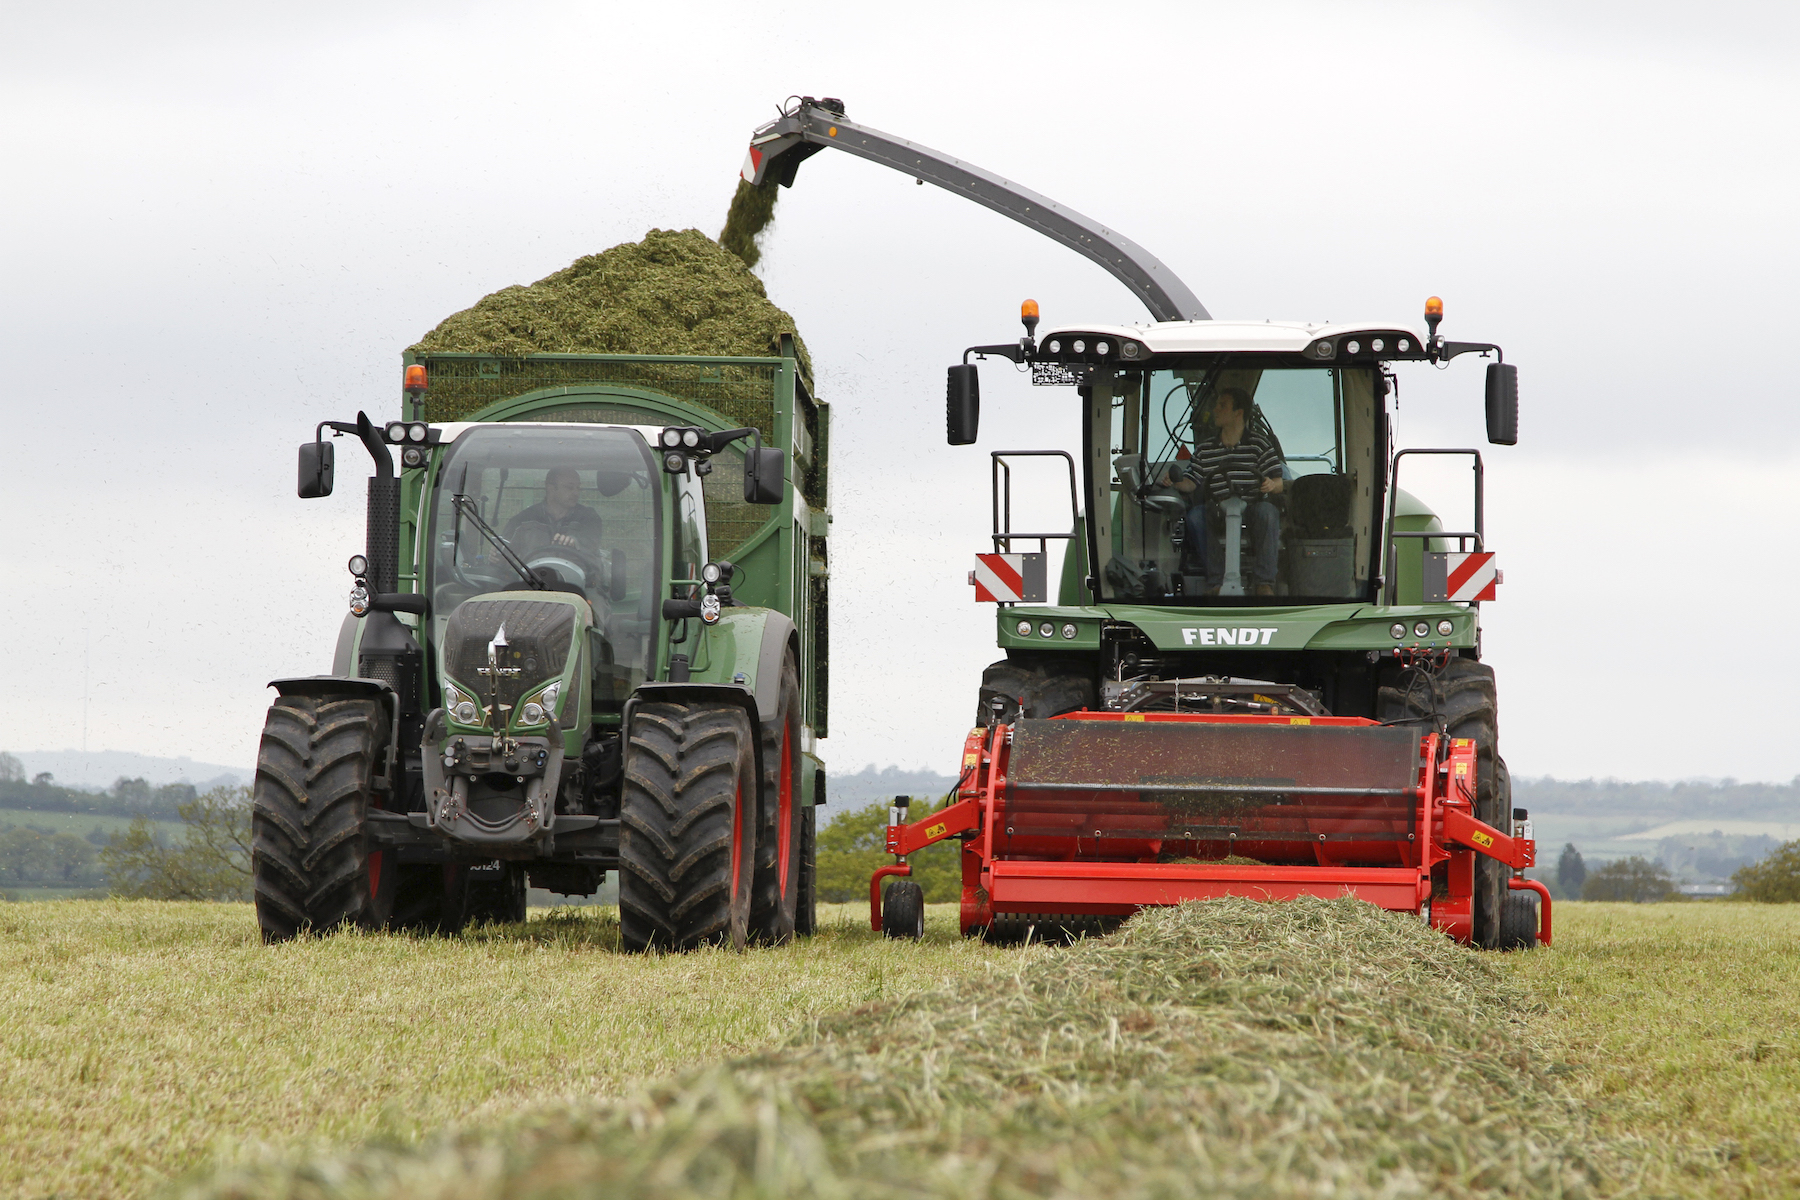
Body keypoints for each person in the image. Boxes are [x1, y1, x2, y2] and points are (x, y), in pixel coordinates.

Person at [1164, 387, 1284, 595]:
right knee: (1195, 517)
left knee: (1268, 512)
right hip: (1218, 509)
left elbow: (1278, 481)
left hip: (1251, 508)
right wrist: (1174, 483)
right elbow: (1192, 482)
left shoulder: (1259, 444)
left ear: (1238, 412)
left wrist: (1272, 485)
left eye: (1222, 405)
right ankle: (1217, 581)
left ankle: (1264, 583)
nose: (1215, 410)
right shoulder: (1205, 449)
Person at [504, 466, 603, 552]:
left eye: (578, 488)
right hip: (532, 573)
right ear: (550, 488)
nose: (576, 493)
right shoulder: (524, 519)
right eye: (570, 487)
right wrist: (497, 556)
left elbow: (593, 543)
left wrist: (575, 542)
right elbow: (504, 551)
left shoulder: (588, 517)